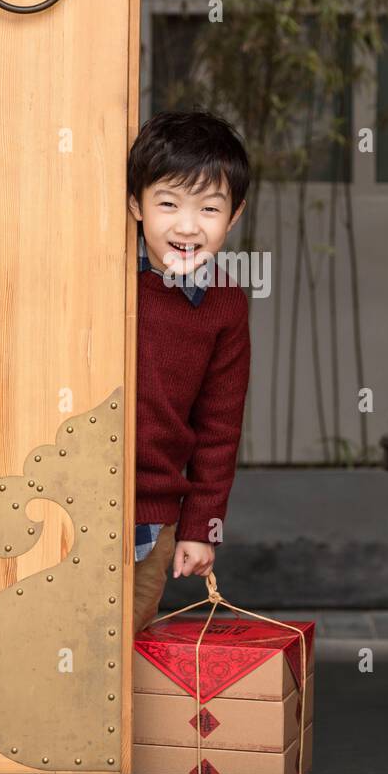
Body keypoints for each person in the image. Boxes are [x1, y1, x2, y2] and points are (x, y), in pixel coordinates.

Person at [127, 108, 251, 634]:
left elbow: (219, 428)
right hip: (72, 499)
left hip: (153, 519)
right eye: (168, 203)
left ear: (234, 215)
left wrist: (201, 528)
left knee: (118, 652)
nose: (186, 225)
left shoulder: (225, 305)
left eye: (208, 208)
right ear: (136, 205)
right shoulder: (98, 275)